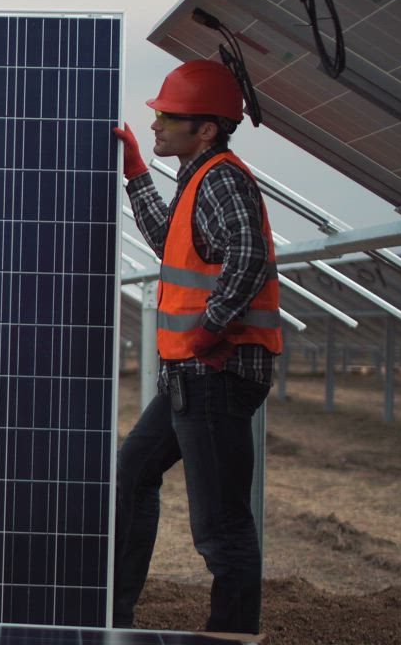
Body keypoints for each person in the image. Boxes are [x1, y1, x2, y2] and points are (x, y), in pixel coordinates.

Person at [111, 59, 281, 634]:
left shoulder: (224, 178)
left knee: (219, 524)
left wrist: (210, 327)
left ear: (205, 128)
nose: (154, 124)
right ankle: (113, 615)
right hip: (194, 372)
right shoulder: (196, 178)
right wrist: (136, 172)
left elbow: (249, 253)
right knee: (132, 474)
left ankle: (230, 632)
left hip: (216, 369)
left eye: (166, 117)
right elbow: (168, 240)